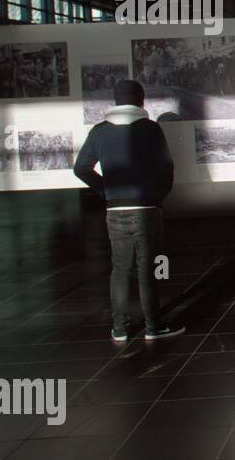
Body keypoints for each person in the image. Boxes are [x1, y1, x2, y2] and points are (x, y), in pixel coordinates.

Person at [73, 79, 184, 343]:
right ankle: (154, 327)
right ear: (141, 100)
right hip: (146, 208)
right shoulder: (150, 129)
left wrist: (106, 191)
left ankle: (119, 328)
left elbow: (81, 168)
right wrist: (157, 196)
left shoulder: (99, 131)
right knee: (148, 268)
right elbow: (166, 169)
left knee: (120, 269)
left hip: (115, 209)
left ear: (115, 101)